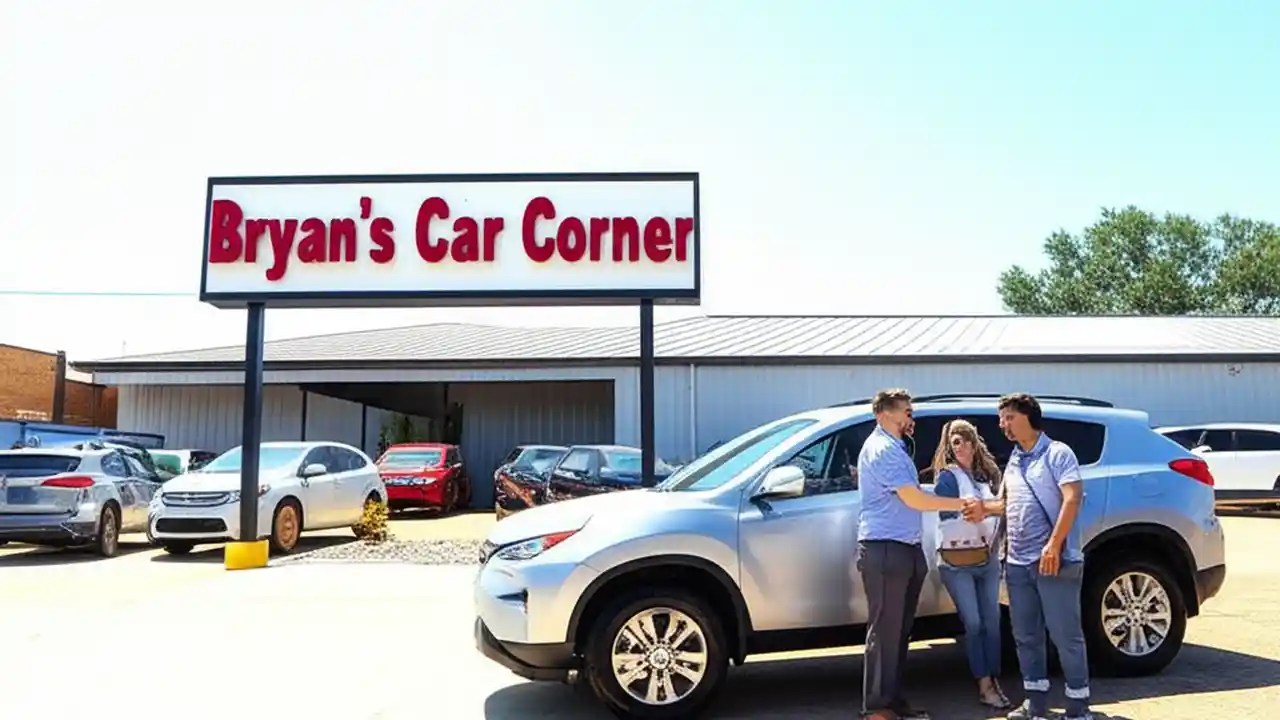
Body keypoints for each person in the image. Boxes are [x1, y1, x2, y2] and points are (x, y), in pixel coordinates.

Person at [970, 393, 1093, 720]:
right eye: (1001, 418)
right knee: (1026, 636)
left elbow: (1073, 498)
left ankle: (1078, 708)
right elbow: (1009, 504)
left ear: (1028, 416)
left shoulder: (1057, 453)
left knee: (1065, 635)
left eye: (1008, 417)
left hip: (1054, 560)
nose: (1002, 425)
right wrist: (985, 508)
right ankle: (1035, 704)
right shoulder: (1015, 459)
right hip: (1017, 563)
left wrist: (1054, 545)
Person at [856, 388, 973, 720]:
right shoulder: (883, 449)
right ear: (885, 414)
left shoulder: (896, 449)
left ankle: (892, 702)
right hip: (886, 548)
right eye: (906, 412)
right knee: (885, 631)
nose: (912, 417)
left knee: (898, 631)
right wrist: (960, 505)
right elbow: (914, 499)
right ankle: (878, 708)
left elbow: (916, 493)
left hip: (903, 548)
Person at [931, 419, 1011, 710]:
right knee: (974, 622)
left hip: (986, 558)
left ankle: (993, 678)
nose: (962, 445)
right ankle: (984, 683)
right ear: (949, 448)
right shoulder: (948, 478)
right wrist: (976, 514)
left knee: (993, 621)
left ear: (975, 443)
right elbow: (944, 516)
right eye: (955, 441)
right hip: (956, 562)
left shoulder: (988, 475)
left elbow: (1003, 509)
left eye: (966, 439)